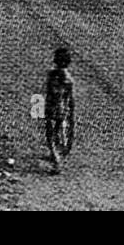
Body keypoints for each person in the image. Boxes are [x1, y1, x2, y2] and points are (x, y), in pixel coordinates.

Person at [44, 46, 75, 174]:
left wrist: (37, 109)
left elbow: (45, 91)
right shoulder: (68, 79)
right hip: (62, 107)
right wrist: (70, 111)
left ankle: (55, 159)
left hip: (51, 106)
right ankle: (57, 154)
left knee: (50, 133)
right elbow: (70, 98)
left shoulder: (52, 75)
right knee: (58, 130)